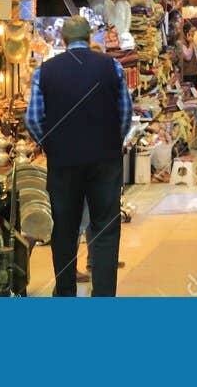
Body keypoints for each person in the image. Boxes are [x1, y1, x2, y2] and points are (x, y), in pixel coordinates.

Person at [25, 15, 133, 296]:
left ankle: (65, 293)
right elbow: (125, 113)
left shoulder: (45, 71)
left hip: (63, 164)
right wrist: (113, 141)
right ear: (89, 38)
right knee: (106, 228)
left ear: (63, 40)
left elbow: (33, 119)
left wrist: (51, 144)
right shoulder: (111, 67)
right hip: (105, 162)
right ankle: (104, 295)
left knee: (64, 229)